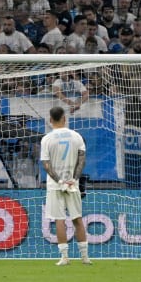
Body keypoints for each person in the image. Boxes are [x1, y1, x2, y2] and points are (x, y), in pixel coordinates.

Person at [41, 105, 91, 265]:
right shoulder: (76, 136)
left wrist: (60, 181)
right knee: (77, 218)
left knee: (59, 219)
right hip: (73, 184)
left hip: (56, 186)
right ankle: (85, 257)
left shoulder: (47, 139)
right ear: (64, 118)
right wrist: (74, 179)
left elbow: (46, 165)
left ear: (50, 120)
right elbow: (82, 160)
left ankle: (64, 257)